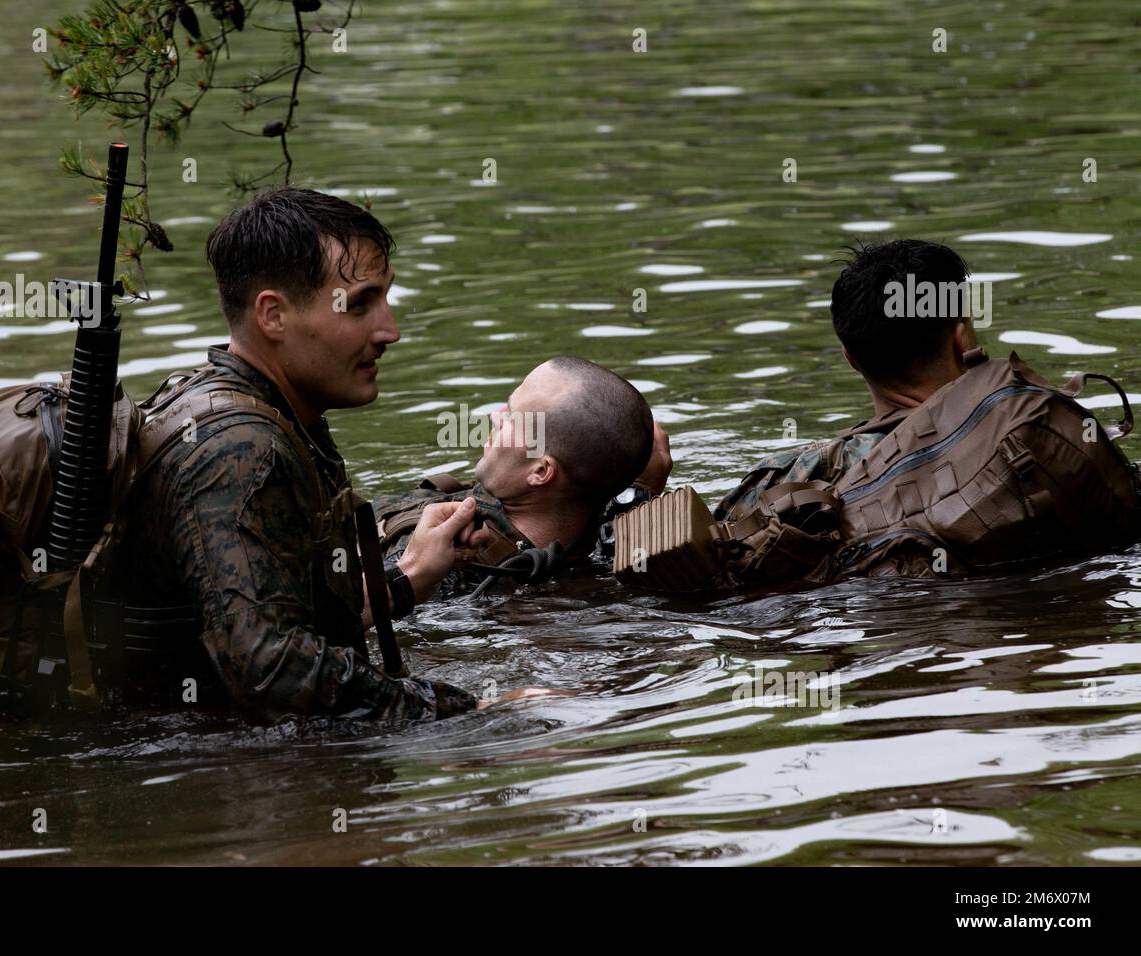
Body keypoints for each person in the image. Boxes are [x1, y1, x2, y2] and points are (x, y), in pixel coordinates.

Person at [111, 187, 488, 722]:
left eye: (385, 298)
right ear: (274, 316)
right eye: (359, 303)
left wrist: (406, 579)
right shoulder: (240, 451)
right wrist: (472, 710)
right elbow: (273, 669)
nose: (390, 330)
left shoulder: (261, 409)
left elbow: (276, 619)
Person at [715, 239, 978, 521]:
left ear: (850, 358)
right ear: (962, 341)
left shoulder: (797, 477)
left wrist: (658, 485)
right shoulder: (1021, 425)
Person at [373, 356, 672, 597]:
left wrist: (408, 574)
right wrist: (637, 494)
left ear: (540, 472)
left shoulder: (447, 573)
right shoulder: (620, 545)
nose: (495, 416)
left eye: (512, 418)